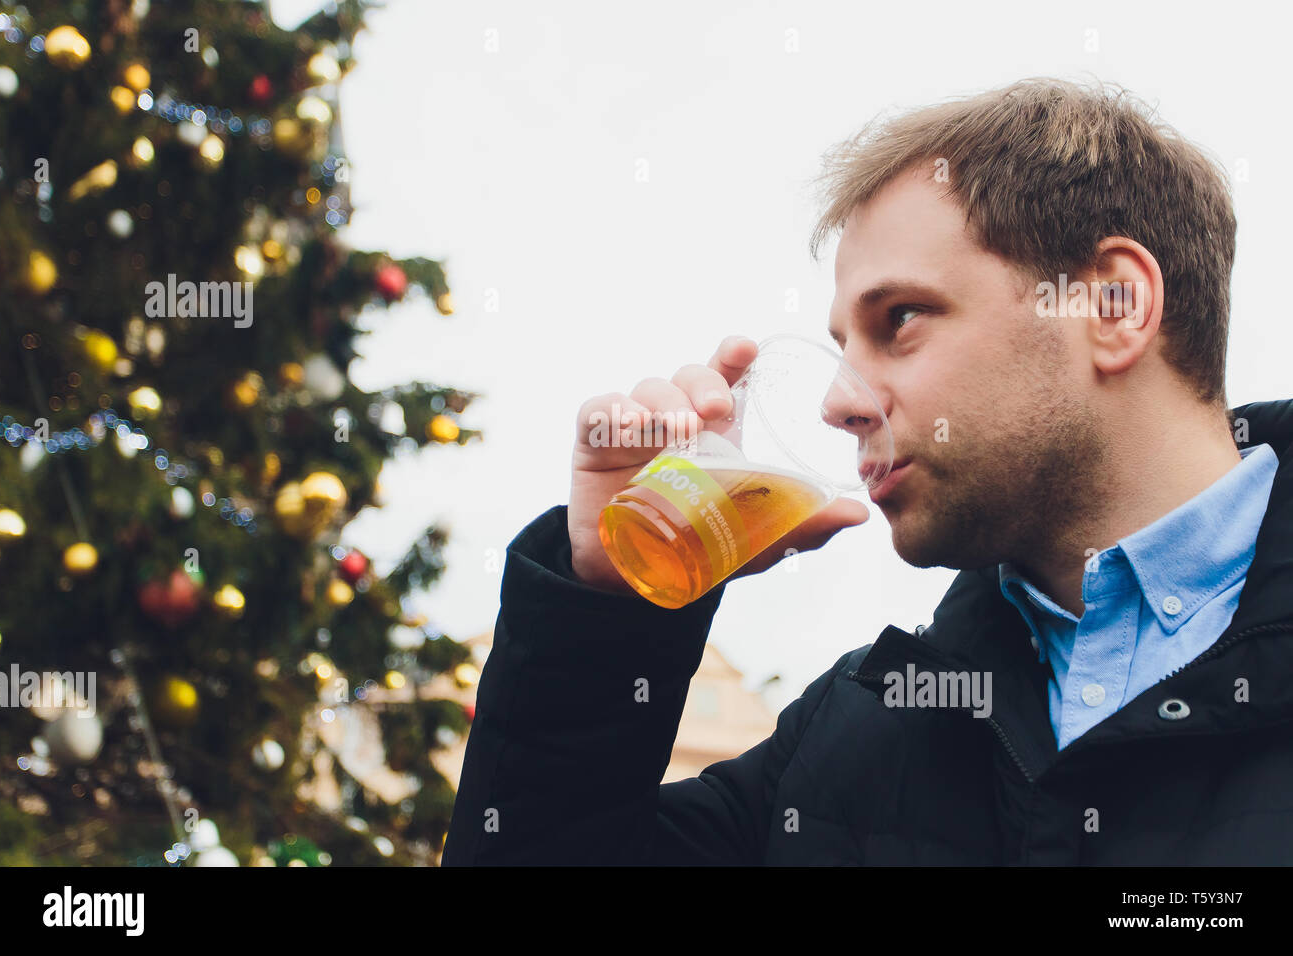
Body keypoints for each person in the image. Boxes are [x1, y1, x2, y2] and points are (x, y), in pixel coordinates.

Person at [442, 78, 1293, 865]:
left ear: (1111, 305)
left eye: (902, 318)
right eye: (843, 344)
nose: (838, 404)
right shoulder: (845, 738)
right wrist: (605, 610)